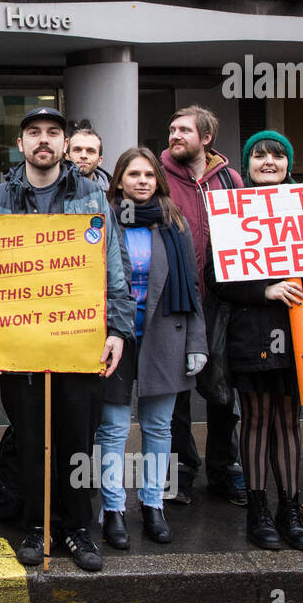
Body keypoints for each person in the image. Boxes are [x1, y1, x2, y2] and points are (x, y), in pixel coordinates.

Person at [0, 107, 132, 570]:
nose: (44, 141)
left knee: (76, 436)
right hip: (18, 343)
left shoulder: (92, 194)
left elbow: (112, 267)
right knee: (31, 435)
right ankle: (37, 525)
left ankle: (78, 527)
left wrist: (118, 330)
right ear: (20, 144)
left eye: (53, 133)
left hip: (78, 339)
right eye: (34, 133)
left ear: (66, 144)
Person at [207, 131, 303, 551]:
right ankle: (258, 510)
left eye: (277, 156)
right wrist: (265, 290)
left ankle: (291, 508)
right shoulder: (230, 211)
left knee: (289, 421)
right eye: (259, 155)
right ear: (246, 165)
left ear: (288, 164)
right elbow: (215, 278)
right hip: (250, 336)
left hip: (298, 338)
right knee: (257, 419)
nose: (268, 162)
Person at [94, 148, 207, 550]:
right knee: (113, 429)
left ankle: (153, 504)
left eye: (148, 174)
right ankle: (112, 508)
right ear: (119, 180)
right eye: (133, 174)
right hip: (113, 338)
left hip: (166, 337)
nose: (142, 181)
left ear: (158, 179)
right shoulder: (102, 219)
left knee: (160, 428)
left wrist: (197, 342)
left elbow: (192, 287)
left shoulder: (174, 223)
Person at [161, 105, 246, 506]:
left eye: (184, 130)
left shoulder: (230, 180)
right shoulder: (157, 176)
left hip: (221, 303)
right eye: (172, 129)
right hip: (174, 302)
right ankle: (180, 469)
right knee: (173, 393)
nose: (175, 135)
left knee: (222, 391)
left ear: (206, 138)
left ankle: (224, 468)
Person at [68, 125, 111, 189]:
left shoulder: (110, 196)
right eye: (77, 150)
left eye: (90, 151)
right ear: (67, 157)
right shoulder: (52, 190)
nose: (83, 155)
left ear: (100, 160)